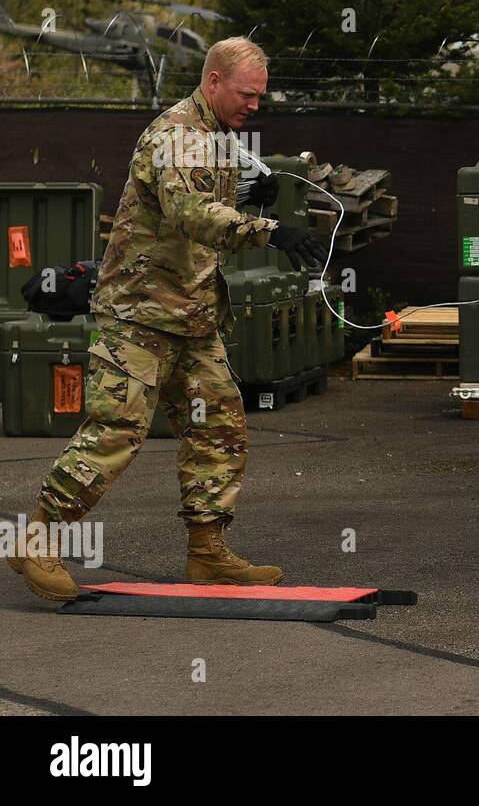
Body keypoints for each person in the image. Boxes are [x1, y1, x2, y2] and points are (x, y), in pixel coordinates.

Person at [7, 36, 328, 602]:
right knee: (116, 431)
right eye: (247, 94)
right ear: (213, 82)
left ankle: (207, 554)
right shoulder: (177, 136)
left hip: (192, 316)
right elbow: (191, 214)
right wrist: (273, 231)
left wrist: (257, 189)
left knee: (219, 428)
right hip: (139, 316)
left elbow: (214, 196)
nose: (255, 105)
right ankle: (37, 539)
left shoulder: (214, 137)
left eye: (261, 96)